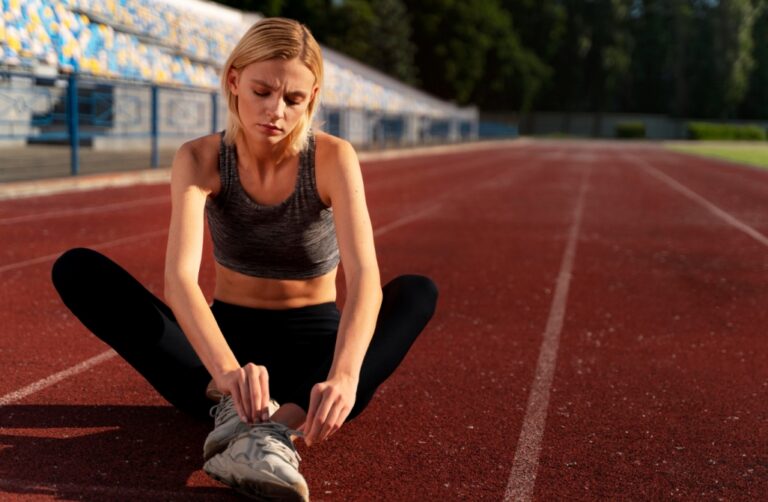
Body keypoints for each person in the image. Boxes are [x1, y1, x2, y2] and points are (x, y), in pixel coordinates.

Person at [51, 17, 437, 501]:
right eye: (262, 91)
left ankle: (272, 431)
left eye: (294, 99)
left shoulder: (333, 158)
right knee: (78, 270)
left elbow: (364, 279)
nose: (276, 110)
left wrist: (342, 375)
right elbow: (180, 281)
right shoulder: (200, 159)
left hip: (313, 357)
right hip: (221, 360)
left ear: (313, 98)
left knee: (416, 292)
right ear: (234, 80)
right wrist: (229, 375)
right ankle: (236, 411)